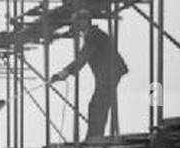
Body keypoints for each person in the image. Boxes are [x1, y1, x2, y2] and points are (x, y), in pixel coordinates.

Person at [50, 11, 128, 140]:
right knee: (98, 104)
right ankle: (94, 136)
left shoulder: (94, 35)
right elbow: (83, 55)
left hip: (110, 72)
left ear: (86, 21)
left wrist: (65, 72)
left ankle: (94, 137)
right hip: (108, 73)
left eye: (78, 22)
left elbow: (83, 56)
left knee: (98, 104)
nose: (75, 25)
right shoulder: (91, 34)